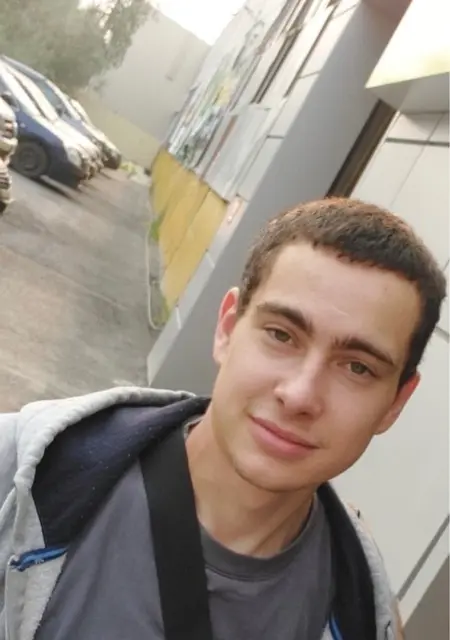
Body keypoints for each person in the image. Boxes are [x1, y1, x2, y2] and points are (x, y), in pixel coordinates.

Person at [0, 198, 446, 640]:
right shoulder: (25, 478)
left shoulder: (363, 613)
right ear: (228, 329)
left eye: (358, 367)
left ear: (396, 402)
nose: (299, 395)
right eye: (281, 335)